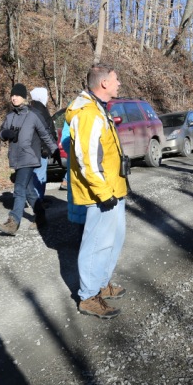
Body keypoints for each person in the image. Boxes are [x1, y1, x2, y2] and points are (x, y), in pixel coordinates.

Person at [67, 64, 128, 319]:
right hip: (101, 192)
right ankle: (88, 296)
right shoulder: (88, 113)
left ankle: (102, 284)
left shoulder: (100, 109)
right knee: (96, 244)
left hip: (114, 188)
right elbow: (87, 158)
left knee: (113, 240)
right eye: (116, 79)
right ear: (103, 83)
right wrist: (103, 192)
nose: (119, 83)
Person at [0, 83, 58, 236]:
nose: (13, 98)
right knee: (29, 190)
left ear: (24, 98)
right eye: (12, 95)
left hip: (30, 156)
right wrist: (5, 134)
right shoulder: (10, 117)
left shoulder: (33, 115)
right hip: (16, 157)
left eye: (17, 95)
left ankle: (13, 221)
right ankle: (41, 216)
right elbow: (0, 132)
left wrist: (55, 150)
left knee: (19, 188)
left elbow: (45, 134)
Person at [28, 86, 54, 203]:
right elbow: (43, 131)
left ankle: (37, 199)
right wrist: (46, 147)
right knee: (39, 176)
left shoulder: (32, 109)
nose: (48, 98)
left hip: (34, 148)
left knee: (35, 175)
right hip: (40, 149)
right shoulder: (40, 111)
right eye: (46, 95)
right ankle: (37, 201)